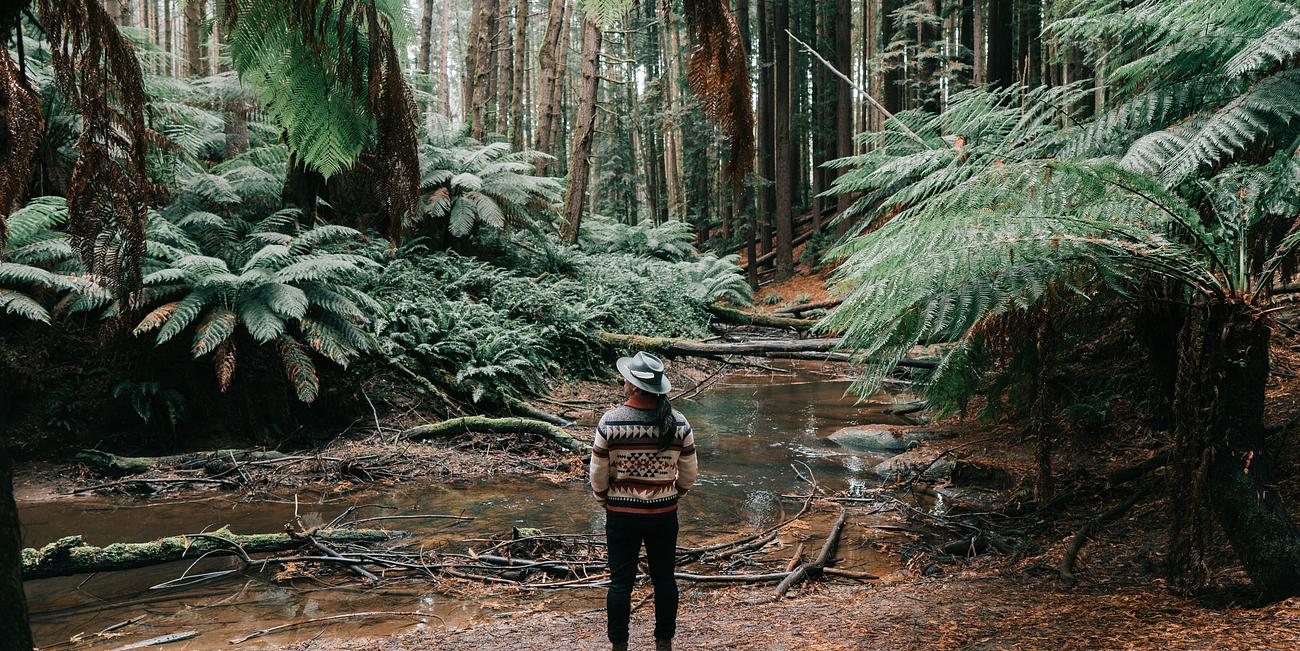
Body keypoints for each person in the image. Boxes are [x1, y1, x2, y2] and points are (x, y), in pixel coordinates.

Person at [589, 351, 698, 651]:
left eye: (627, 379)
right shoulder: (679, 423)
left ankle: (619, 647)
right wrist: (674, 494)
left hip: (621, 515)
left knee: (620, 583)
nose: (624, 381)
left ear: (634, 386)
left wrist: (605, 500)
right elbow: (689, 473)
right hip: (664, 513)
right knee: (664, 579)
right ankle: (664, 643)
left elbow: (597, 474)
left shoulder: (610, 422)